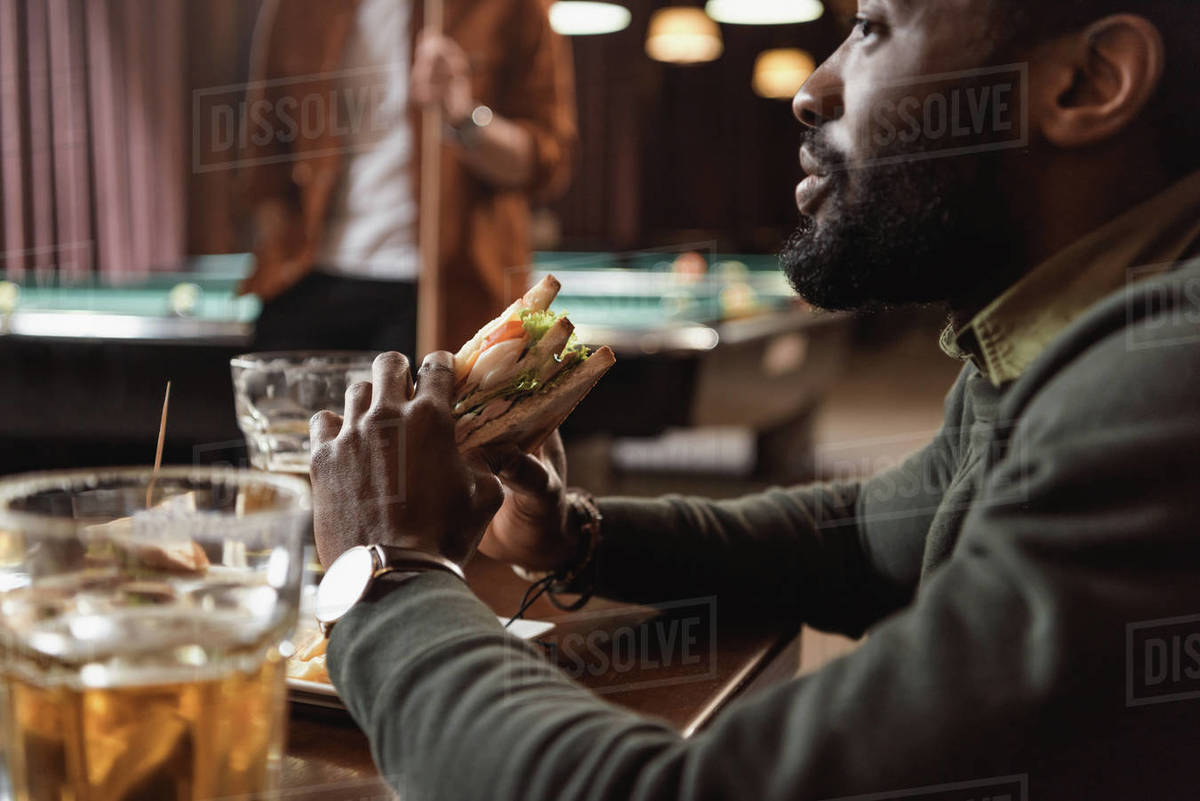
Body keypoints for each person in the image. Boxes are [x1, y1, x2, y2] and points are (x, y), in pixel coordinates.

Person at [308, 2, 1200, 799]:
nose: (811, 91)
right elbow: (867, 537)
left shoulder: (1161, 395)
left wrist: (388, 574)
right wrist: (574, 537)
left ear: (1087, 84)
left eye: (873, 29)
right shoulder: (1052, 332)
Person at [236, 0, 576, 356]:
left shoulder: (514, 6)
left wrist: (462, 117)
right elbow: (263, 165)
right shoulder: (295, 8)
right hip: (309, 279)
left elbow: (546, 164)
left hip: (448, 294)